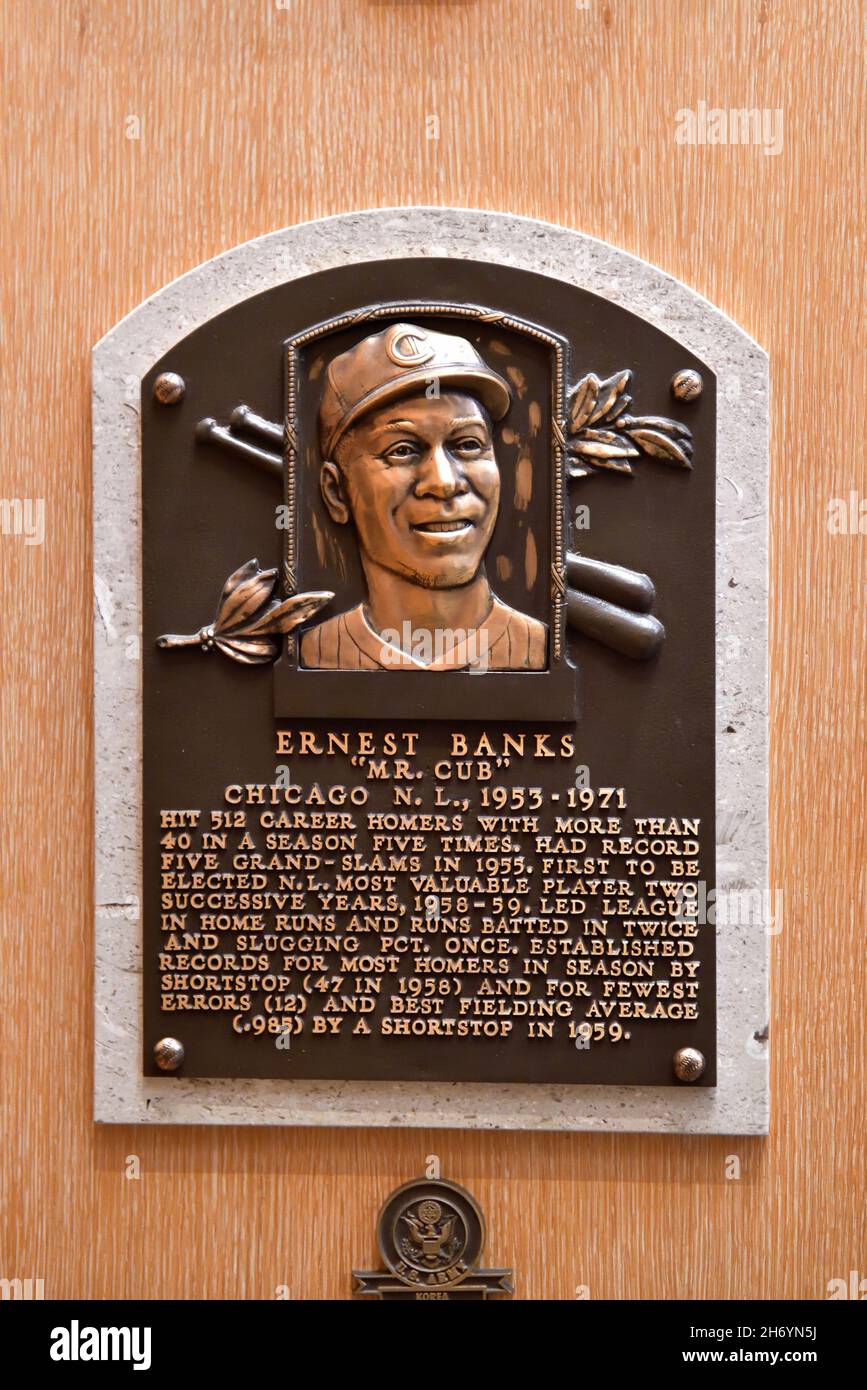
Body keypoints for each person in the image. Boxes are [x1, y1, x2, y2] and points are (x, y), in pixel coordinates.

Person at [300, 323, 547, 671]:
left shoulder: (541, 650)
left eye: (467, 444)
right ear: (336, 493)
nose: (444, 483)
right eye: (401, 450)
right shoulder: (312, 656)